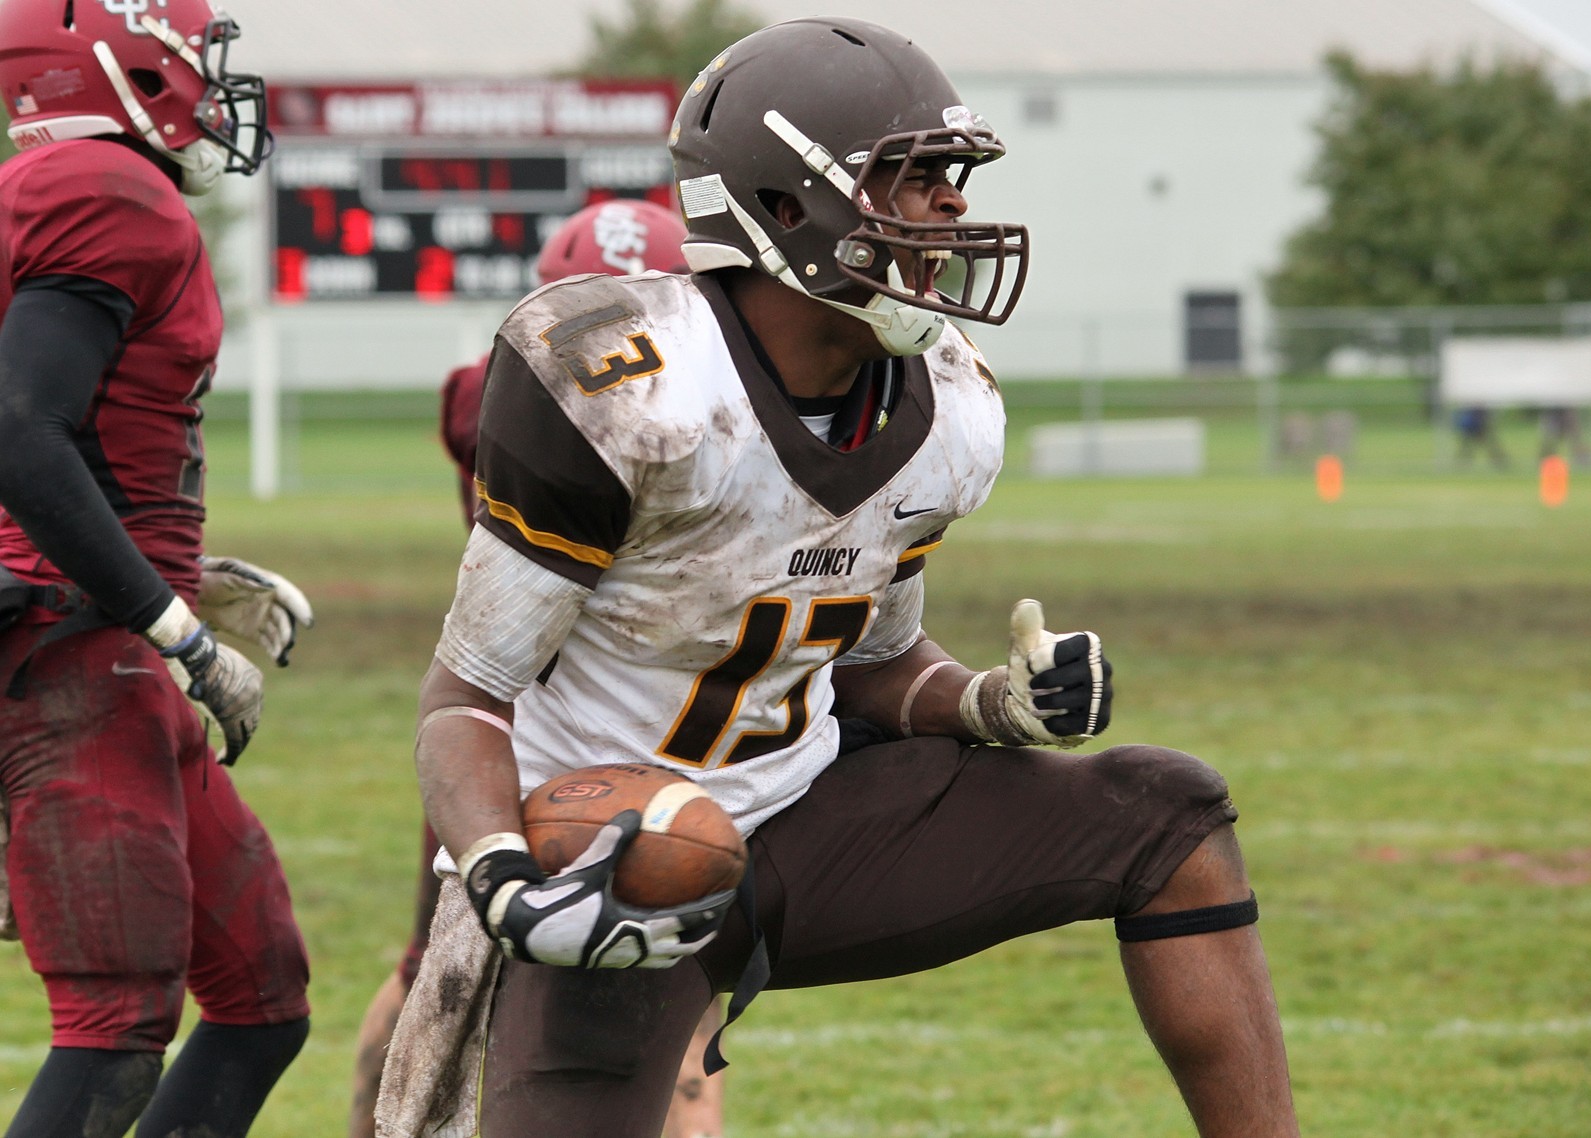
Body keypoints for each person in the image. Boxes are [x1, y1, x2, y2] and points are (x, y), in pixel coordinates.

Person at [377, 17, 1299, 1138]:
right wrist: (510, 878)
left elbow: (872, 656)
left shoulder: (946, 405)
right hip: (616, 862)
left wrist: (987, 700)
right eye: (913, 180)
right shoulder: (628, 389)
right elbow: (463, 702)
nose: (950, 212)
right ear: (781, 208)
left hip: (812, 819)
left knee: (1170, 818)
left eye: (950, 180)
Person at [347, 199, 729, 1138]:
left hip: (503, 718)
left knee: (427, 971)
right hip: (594, 716)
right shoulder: (686, 403)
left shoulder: (478, 389)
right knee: (677, 1004)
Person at [0, 2, 313, 1135]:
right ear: (117, 54)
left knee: (262, 998)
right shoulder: (105, 190)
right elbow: (24, 430)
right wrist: (173, 626)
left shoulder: (54, 191)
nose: (207, 78)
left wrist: (172, 575)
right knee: (117, 1022)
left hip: (97, 631)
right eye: (189, 49)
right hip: (75, 653)